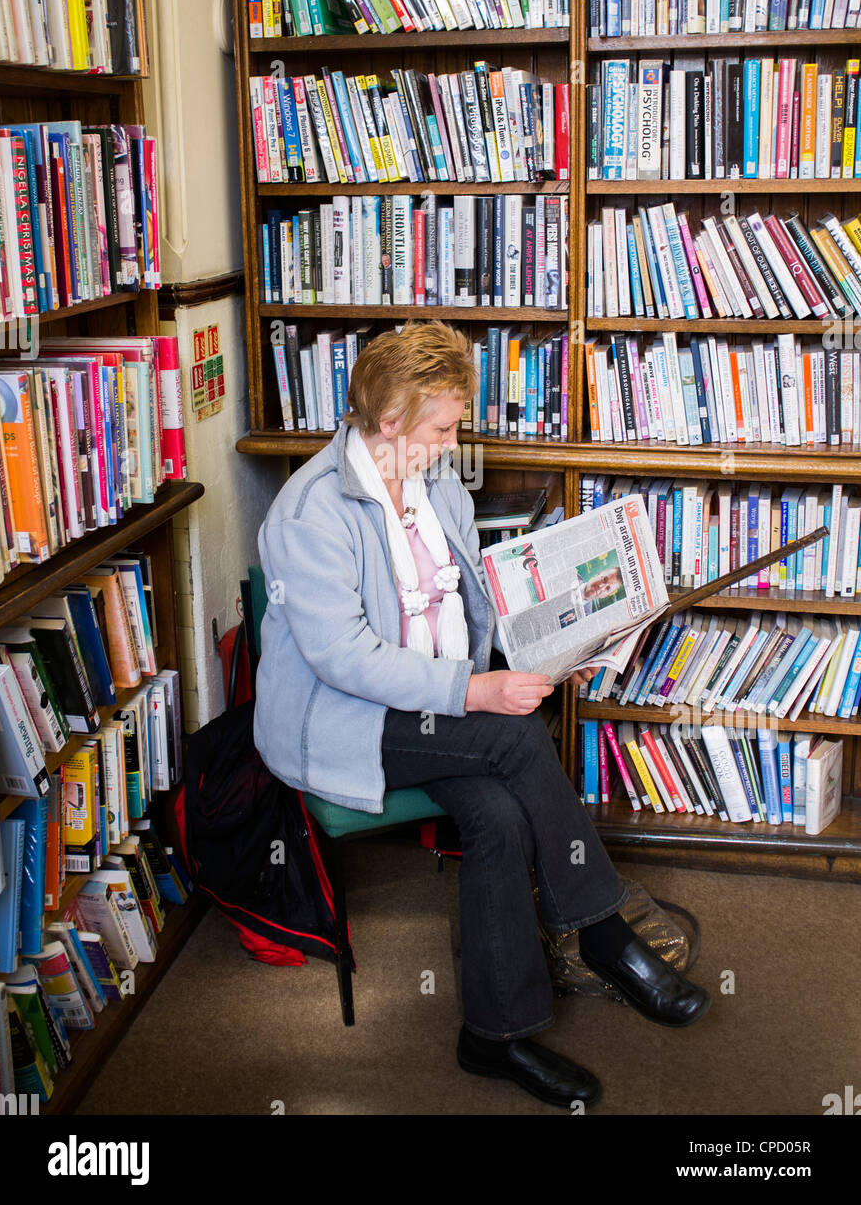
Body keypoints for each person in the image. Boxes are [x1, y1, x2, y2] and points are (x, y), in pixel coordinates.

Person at [254, 320, 710, 1110]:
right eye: (443, 424)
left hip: (435, 704)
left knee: (499, 814)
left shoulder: (431, 481)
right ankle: (604, 935)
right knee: (510, 733)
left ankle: (492, 1038)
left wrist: (571, 631)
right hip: (347, 720)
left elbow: (475, 603)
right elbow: (346, 661)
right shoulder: (310, 513)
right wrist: (477, 691)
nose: (454, 438)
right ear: (389, 421)